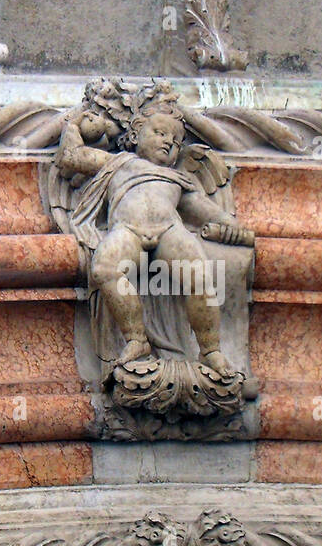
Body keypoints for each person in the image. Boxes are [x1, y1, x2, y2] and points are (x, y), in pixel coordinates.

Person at [58, 103, 251, 377]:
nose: (167, 142)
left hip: (170, 229)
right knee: (104, 268)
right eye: (160, 133)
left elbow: (205, 211)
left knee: (198, 274)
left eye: (175, 140)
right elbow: (72, 158)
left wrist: (231, 225)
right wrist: (73, 125)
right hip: (128, 228)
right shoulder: (119, 162)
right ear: (135, 136)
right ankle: (137, 339)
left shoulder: (177, 178)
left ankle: (210, 350)